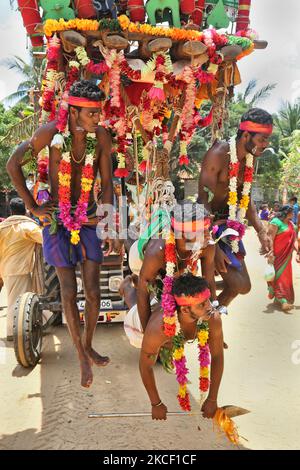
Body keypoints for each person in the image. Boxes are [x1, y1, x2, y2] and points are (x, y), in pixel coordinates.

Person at [6, 80, 113, 387]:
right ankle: (80, 355)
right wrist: (31, 206)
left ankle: (89, 342)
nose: (98, 118)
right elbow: (13, 164)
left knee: (93, 293)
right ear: (74, 111)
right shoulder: (50, 133)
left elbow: (106, 184)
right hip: (56, 216)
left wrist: (106, 221)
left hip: (89, 217)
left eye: (100, 112)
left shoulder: (102, 136)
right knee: (68, 291)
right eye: (92, 113)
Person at [121, 272, 224, 420]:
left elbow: (217, 355)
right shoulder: (158, 329)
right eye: (202, 304)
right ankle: (126, 286)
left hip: (172, 323)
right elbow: (145, 365)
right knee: (134, 309)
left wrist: (212, 398)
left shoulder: (212, 317)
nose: (209, 306)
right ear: (185, 310)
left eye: (208, 300)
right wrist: (155, 403)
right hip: (139, 328)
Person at [198, 108, 273, 308]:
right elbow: (202, 201)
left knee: (242, 286)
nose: (265, 145)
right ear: (246, 135)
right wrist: (212, 246)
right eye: (262, 140)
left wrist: (261, 231)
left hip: (230, 227)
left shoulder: (249, 158)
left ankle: (206, 315)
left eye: (267, 140)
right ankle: (205, 309)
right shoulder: (218, 155)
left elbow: (245, 198)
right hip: (208, 228)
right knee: (240, 284)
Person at [134, 201, 216, 332]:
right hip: (143, 264)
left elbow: (209, 282)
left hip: (178, 274)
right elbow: (143, 290)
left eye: (207, 228)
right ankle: (126, 287)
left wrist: (214, 326)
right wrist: (147, 333)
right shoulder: (156, 251)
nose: (208, 235)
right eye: (202, 231)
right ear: (183, 235)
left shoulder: (207, 246)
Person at [0, 198, 43, 340]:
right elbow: (44, 239)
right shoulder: (26, 226)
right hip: (20, 269)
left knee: (20, 299)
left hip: (6, 269)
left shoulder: (3, 227)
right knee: (17, 301)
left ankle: (33, 325)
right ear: (25, 209)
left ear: (10, 210)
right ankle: (13, 333)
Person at [267, 205, 298, 312]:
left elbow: (294, 240)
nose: (293, 214)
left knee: (285, 277)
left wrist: (298, 251)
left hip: (287, 257)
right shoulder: (276, 222)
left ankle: (279, 298)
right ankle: (283, 300)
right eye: (291, 212)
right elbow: (270, 238)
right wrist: (270, 252)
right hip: (276, 256)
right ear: (286, 213)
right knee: (277, 276)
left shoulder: (291, 225)